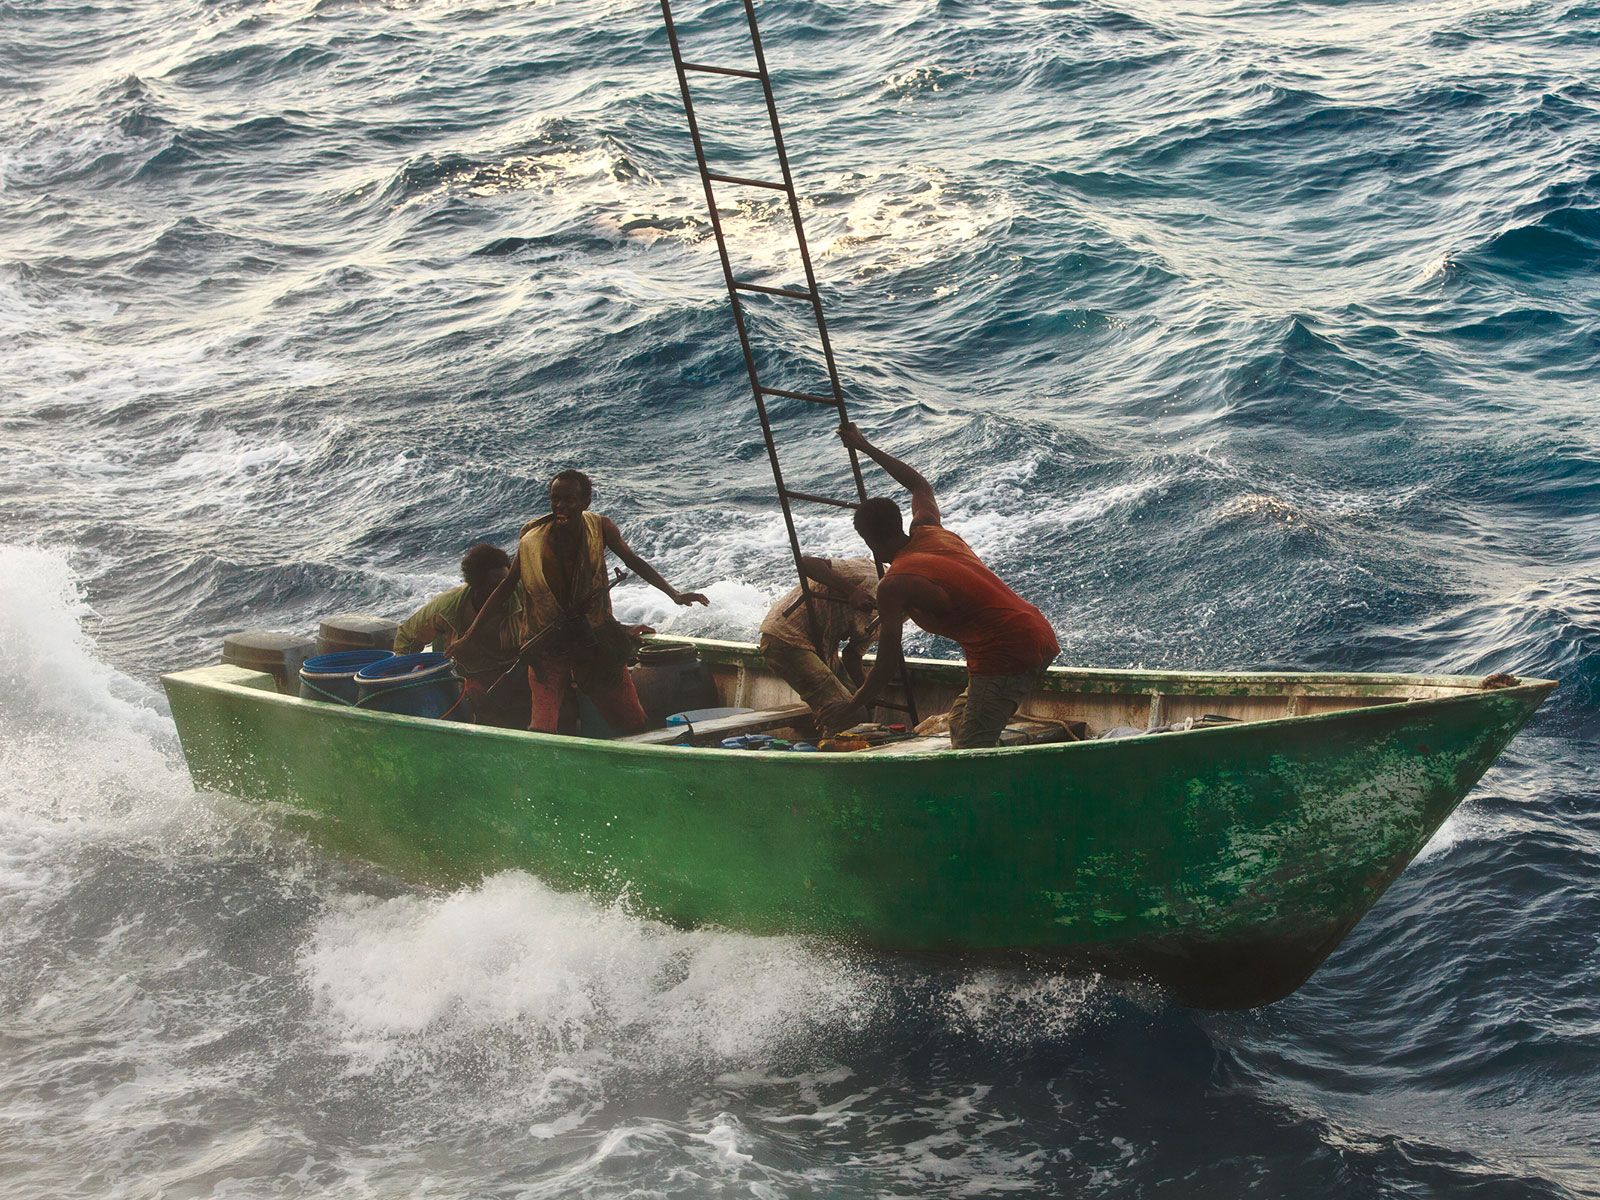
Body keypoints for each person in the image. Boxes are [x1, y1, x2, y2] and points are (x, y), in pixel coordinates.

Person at [819, 424, 1059, 748]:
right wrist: (864, 446)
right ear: (898, 523)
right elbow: (917, 483)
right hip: (1034, 628)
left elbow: (887, 663)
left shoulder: (894, 585)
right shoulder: (929, 529)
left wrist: (850, 705)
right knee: (960, 723)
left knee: (971, 747)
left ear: (869, 542)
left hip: (1005, 649)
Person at [458, 470, 709, 735]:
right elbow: (506, 588)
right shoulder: (531, 542)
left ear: (586, 502)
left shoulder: (600, 528)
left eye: (569, 500)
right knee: (542, 728)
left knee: (633, 722)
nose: (560, 507)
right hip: (547, 643)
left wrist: (675, 594)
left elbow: (633, 560)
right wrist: (469, 636)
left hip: (595, 638)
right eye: (555, 499)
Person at [395, 543, 529, 727]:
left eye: (506, 583)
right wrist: (409, 687)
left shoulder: (522, 593)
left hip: (518, 671)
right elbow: (407, 638)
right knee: (478, 703)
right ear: (476, 585)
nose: (503, 591)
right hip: (472, 677)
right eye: (493, 586)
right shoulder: (448, 607)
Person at [758, 556, 879, 715]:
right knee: (849, 714)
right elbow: (806, 563)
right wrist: (852, 591)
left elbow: (852, 656)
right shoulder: (869, 573)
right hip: (787, 637)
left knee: (860, 709)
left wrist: (864, 693)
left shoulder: (899, 614)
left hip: (823, 647)